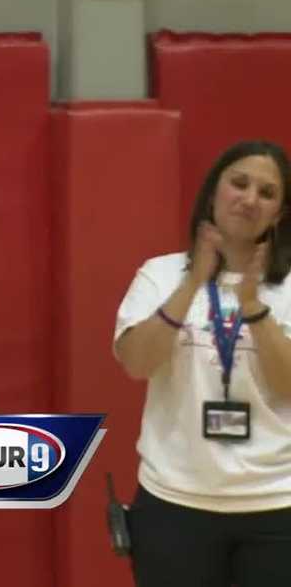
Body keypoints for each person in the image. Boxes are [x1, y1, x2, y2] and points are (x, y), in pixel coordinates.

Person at [114, 140, 291, 587]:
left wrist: (253, 306)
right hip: (174, 503)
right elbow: (136, 362)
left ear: (280, 214)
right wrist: (194, 283)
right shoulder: (160, 274)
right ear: (213, 193)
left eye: (267, 193)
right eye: (239, 183)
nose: (250, 198)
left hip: (276, 505)